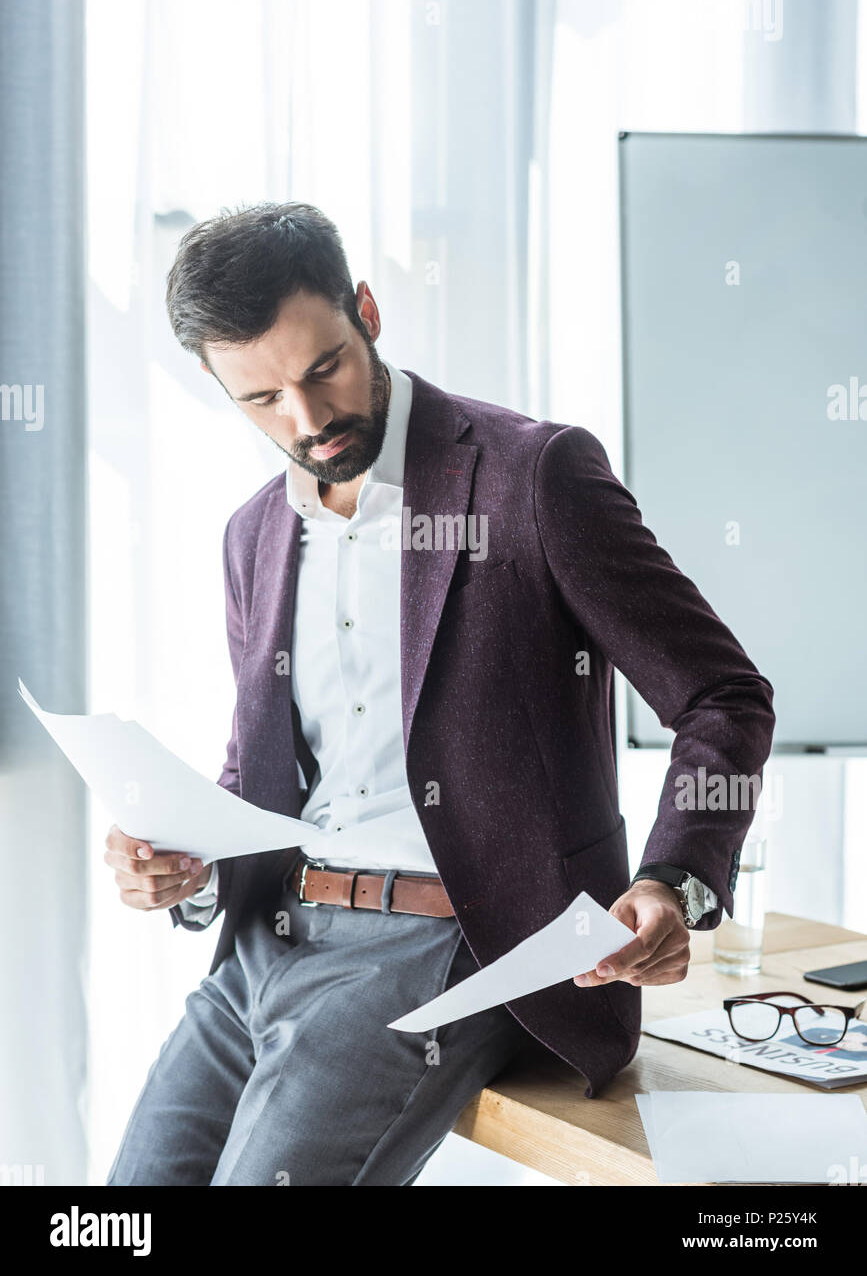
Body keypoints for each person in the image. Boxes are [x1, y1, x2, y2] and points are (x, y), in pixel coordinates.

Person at [105, 202, 775, 1186]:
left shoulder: (533, 476)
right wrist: (186, 865)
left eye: (323, 367)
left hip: (446, 943)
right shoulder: (252, 535)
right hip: (262, 943)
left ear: (366, 309)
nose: (307, 419)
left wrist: (673, 880)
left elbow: (722, 694)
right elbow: (267, 772)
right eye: (262, 400)